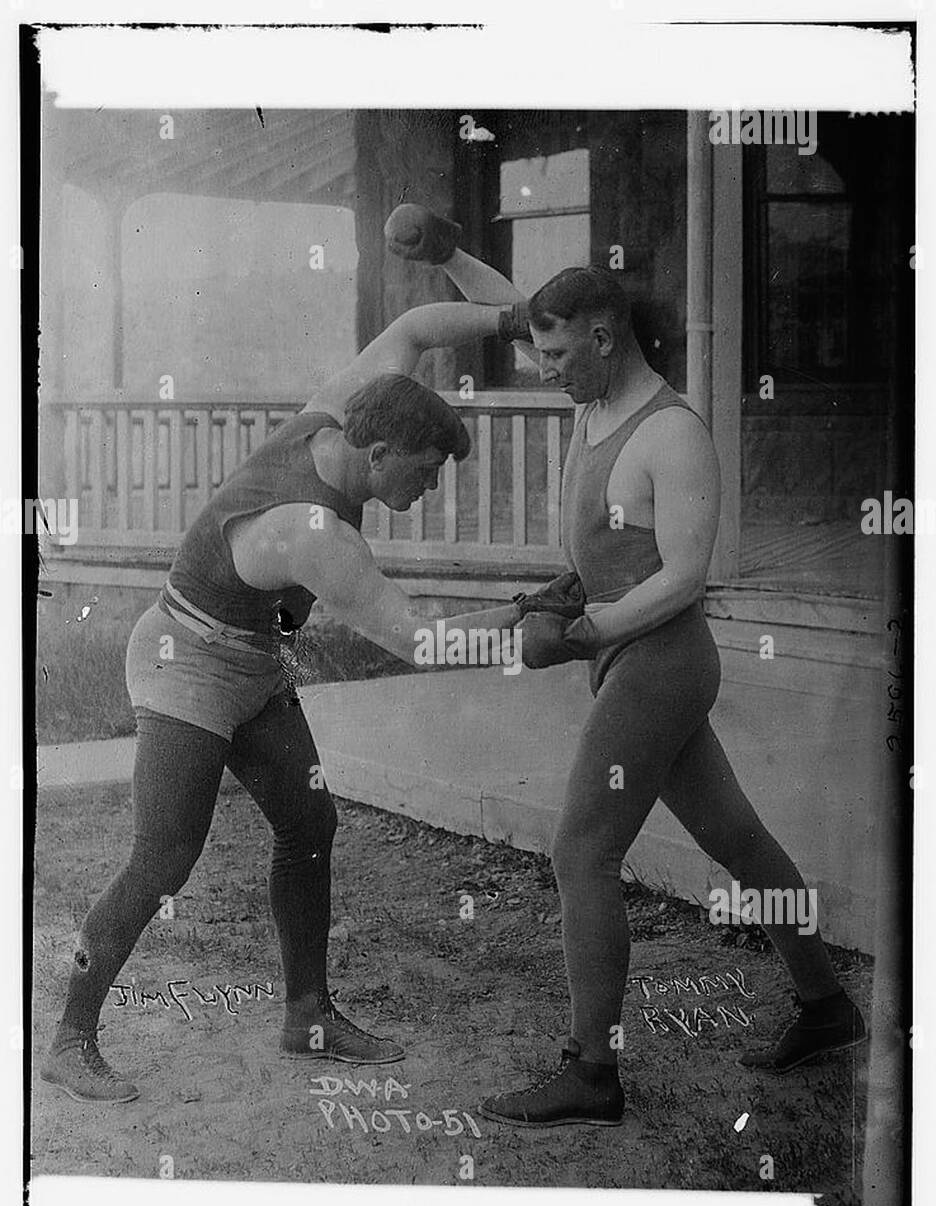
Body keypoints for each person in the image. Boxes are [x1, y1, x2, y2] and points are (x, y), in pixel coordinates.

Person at [385, 204, 867, 1128]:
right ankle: (825, 1002)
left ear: (606, 338)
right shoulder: (598, 395)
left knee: (582, 850)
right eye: (544, 355)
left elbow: (687, 576)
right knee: (738, 841)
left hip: (661, 660)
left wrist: (592, 630)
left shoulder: (671, 433)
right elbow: (516, 309)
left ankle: (593, 1072)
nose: (545, 368)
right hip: (630, 652)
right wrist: (448, 253)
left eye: (560, 357)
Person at [40, 292, 576, 1103]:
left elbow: (416, 330)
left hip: (256, 661)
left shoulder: (342, 408)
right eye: (426, 473)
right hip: (184, 658)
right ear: (383, 450)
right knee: (165, 855)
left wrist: (515, 319)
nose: (429, 491)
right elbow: (418, 641)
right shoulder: (315, 534)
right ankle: (69, 1037)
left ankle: (307, 1017)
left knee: (309, 823)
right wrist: (525, 631)